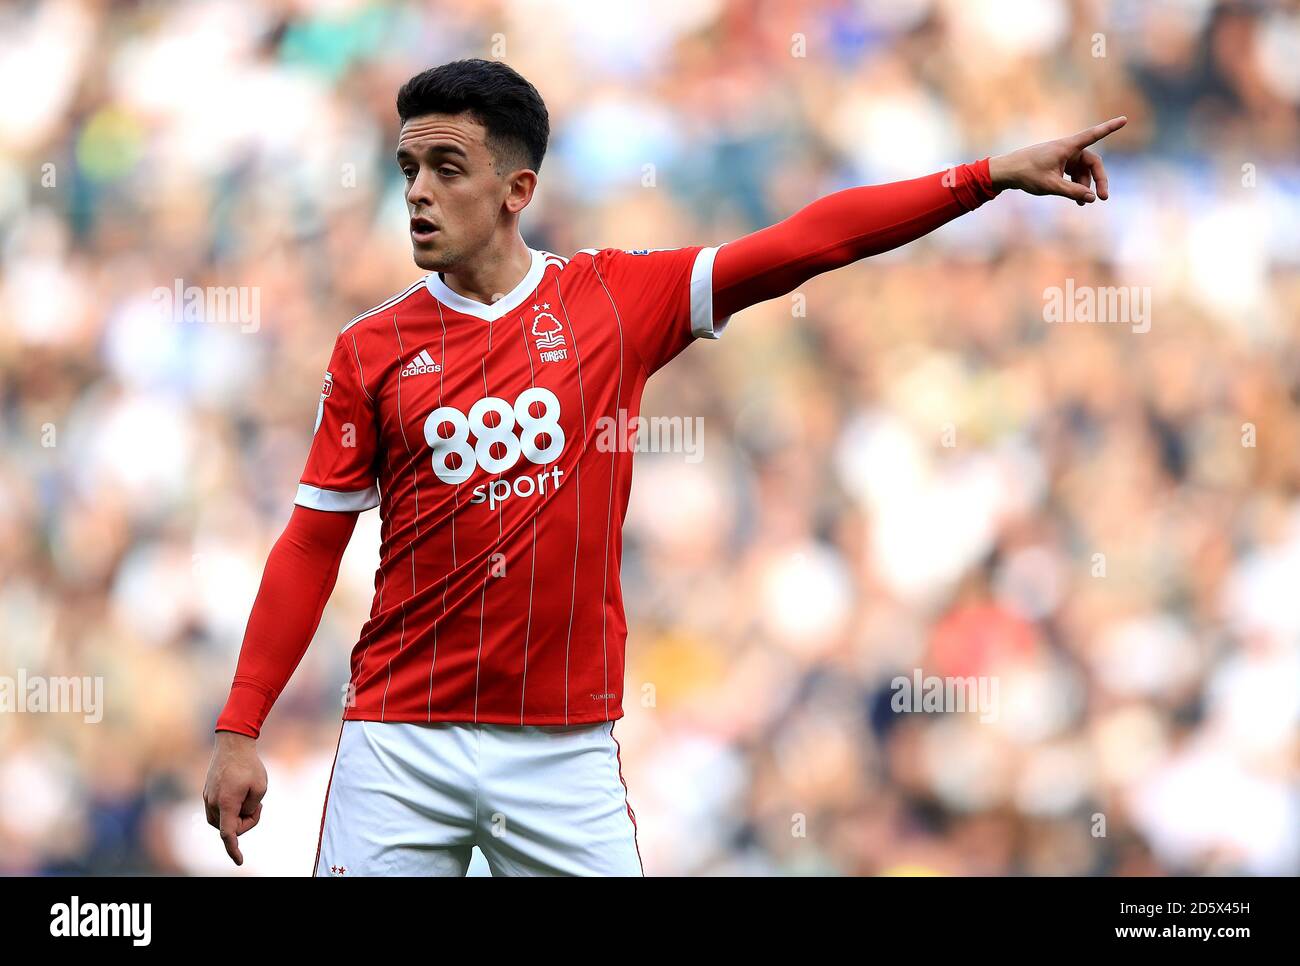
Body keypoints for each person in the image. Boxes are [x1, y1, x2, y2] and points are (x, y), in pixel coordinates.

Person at [202, 58, 1125, 876]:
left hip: (562, 750)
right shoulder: (371, 349)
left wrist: (986, 176)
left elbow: (804, 244)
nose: (418, 194)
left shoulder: (608, 298)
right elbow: (312, 543)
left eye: (447, 169)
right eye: (408, 170)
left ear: (517, 188)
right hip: (399, 738)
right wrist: (242, 726)